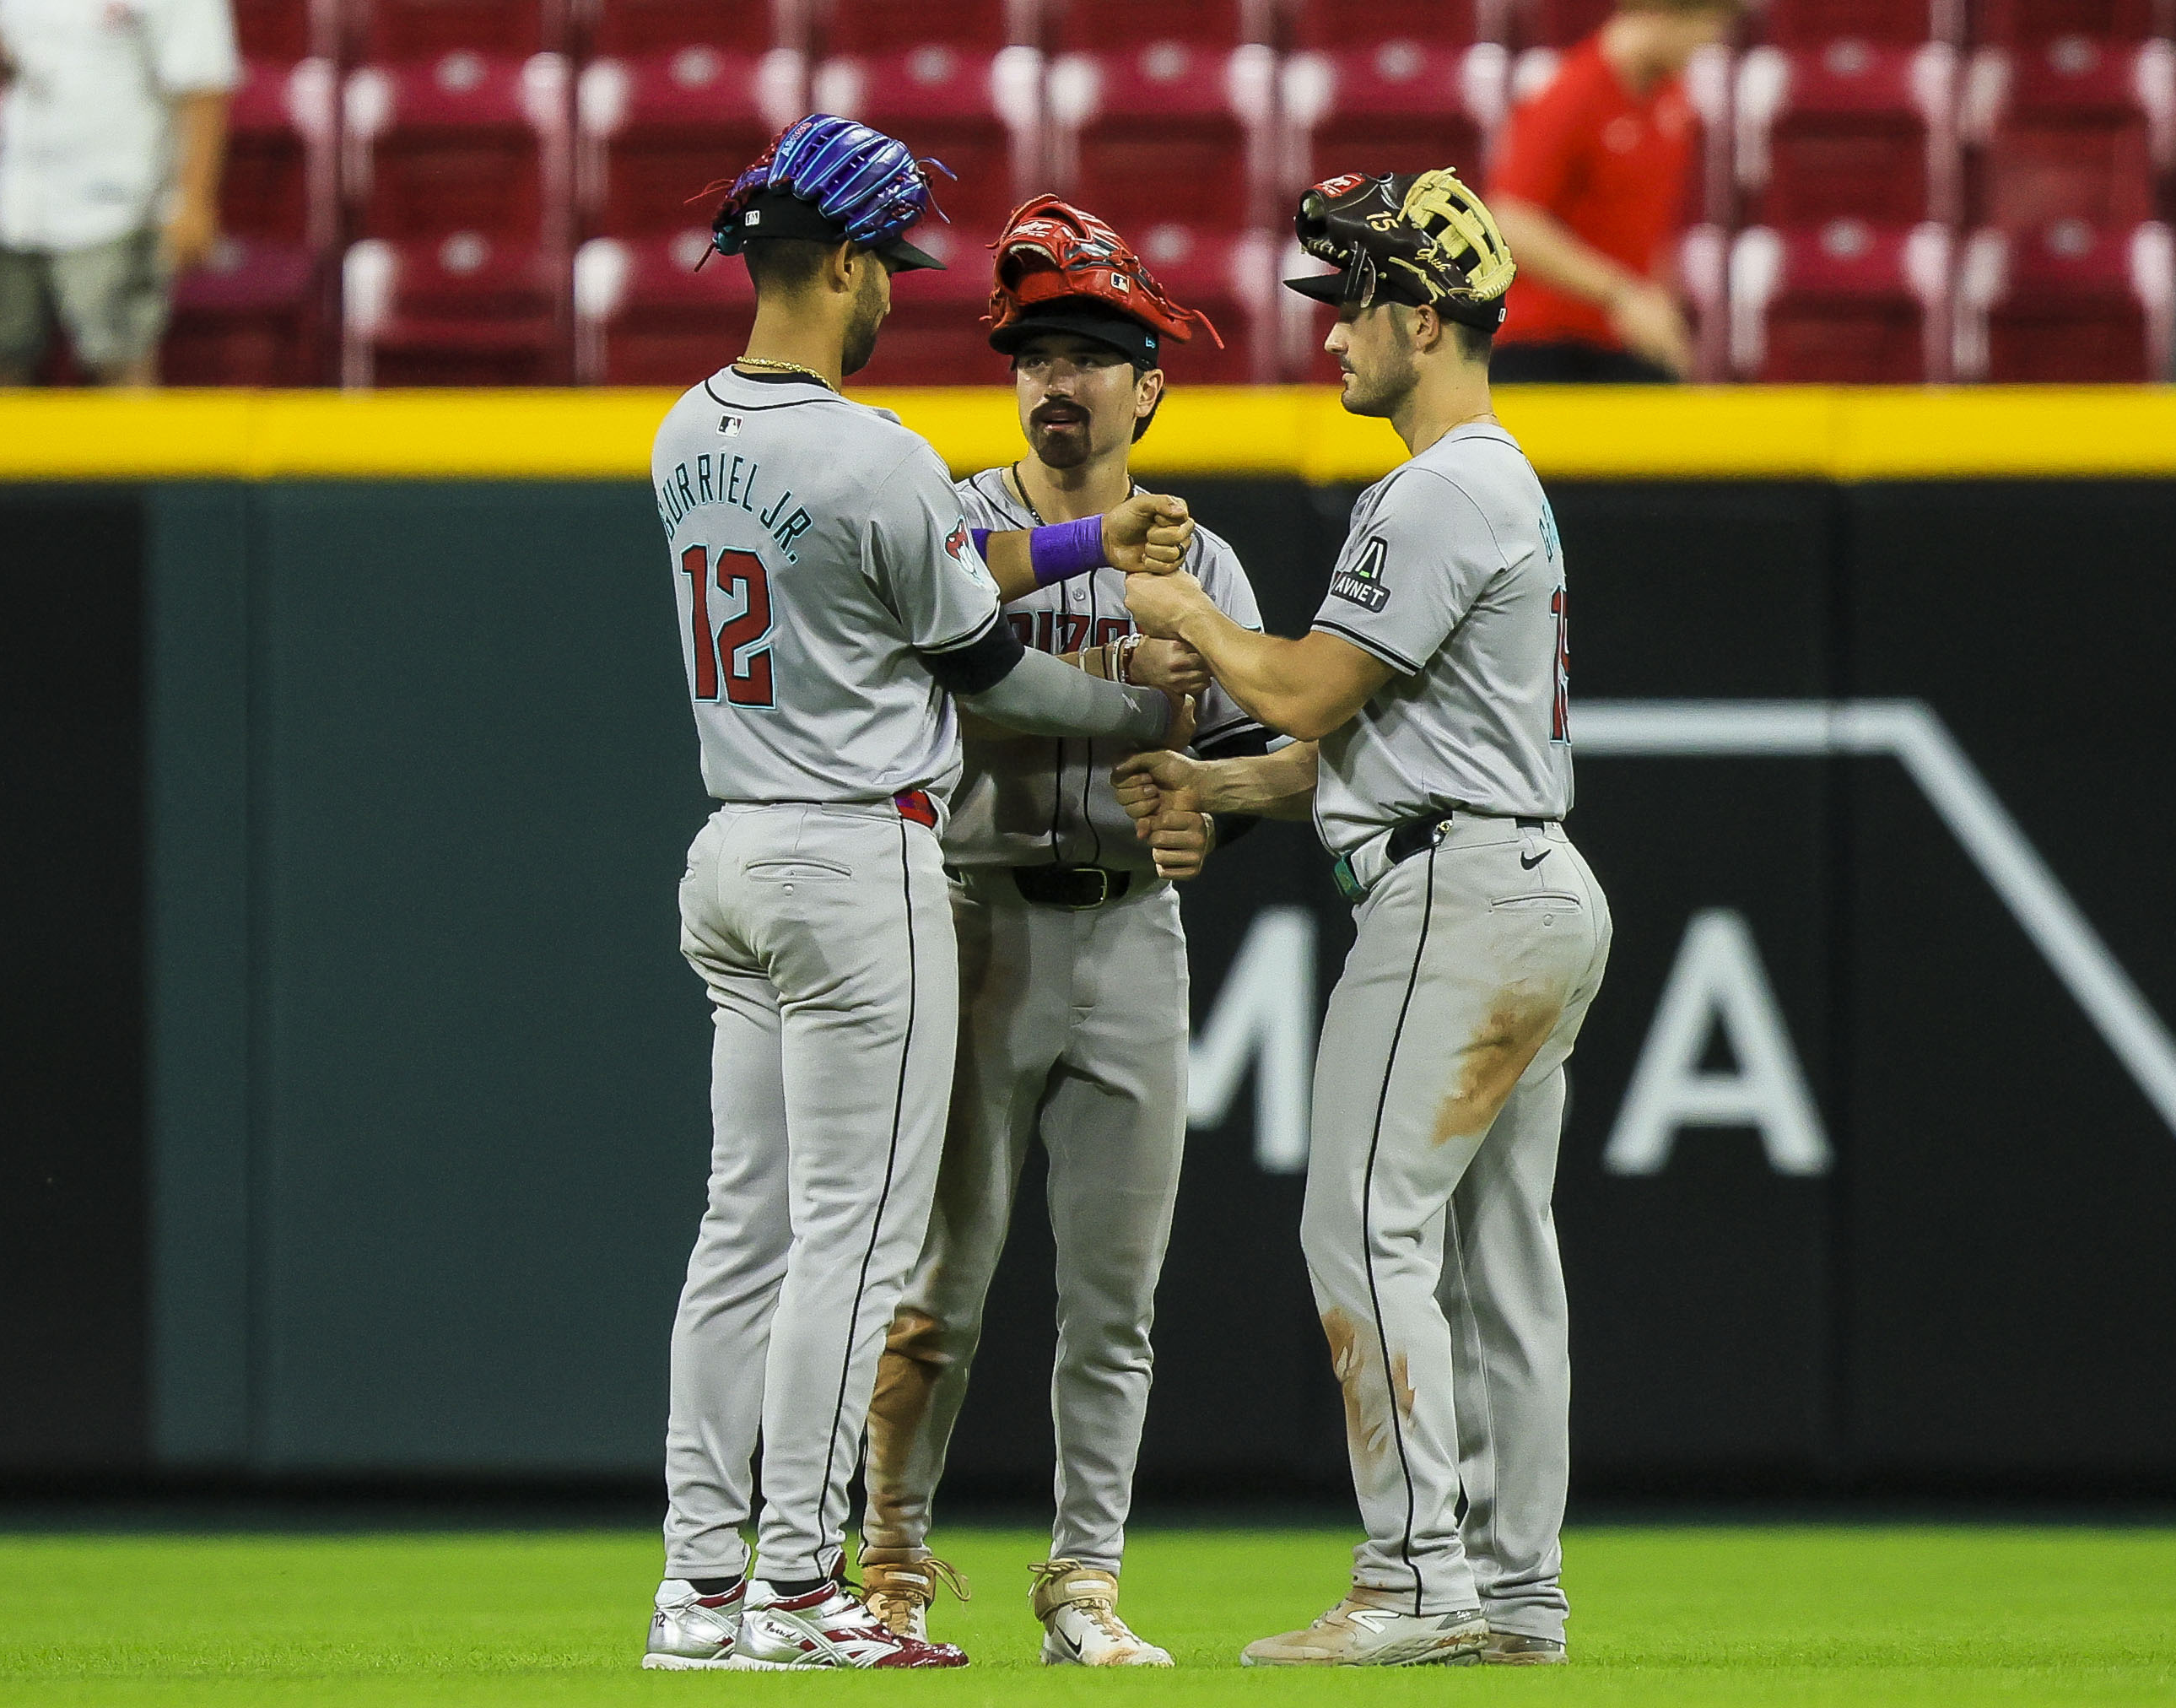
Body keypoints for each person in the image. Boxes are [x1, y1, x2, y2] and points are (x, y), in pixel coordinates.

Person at [640, 115, 1201, 1673]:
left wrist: (1086, 534)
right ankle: (808, 1584)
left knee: (738, 1230)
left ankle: (698, 1585)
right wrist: (1145, 714)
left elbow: (926, 559)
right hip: (852, 854)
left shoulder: (685, 430)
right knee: (858, 1243)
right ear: (830, 262)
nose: (892, 289)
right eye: (881, 261)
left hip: (732, 845)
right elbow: (976, 654)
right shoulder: (875, 449)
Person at [1117, 169, 1615, 1667]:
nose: (1331, 331)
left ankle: (1411, 1580)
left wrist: (1189, 615)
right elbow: (1360, 752)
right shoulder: (1499, 479)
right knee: (1499, 1262)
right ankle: (1516, 1592)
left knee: (1363, 1223)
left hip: (1454, 896)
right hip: (1521, 872)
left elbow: (1309, 691)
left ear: (1421, 315)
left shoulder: (1437, 482)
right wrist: (1218, 786)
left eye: (1352, 304)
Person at [855, 195, 1277, 1669]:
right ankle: (892, 1565)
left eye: (1095, 349)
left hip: (1125, 931)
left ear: (1147, 381)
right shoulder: (955, 519)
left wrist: (1200, 807)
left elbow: (1241, 762)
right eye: (1037, 347)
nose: (1061, 374)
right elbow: (933, 632)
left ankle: (1083, 1580)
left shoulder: (1205, 565)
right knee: (938, 1287)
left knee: (1113, 1298)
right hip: (973, 922)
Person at [0, 0, 236, 386]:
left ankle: (131, 449)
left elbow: (202, 84)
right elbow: (8, 63)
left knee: (119, 363)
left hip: (116, 204)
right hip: (15, 199)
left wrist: (195, 203)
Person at [1485, 0, 1737, 382]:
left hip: (1624, 338)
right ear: (1659, 15)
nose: (1703, 47)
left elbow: (1650, 224)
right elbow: (1511, 219)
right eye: (1702, 32)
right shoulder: (1569, 93)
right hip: (1542, 341)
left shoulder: (1672, 99)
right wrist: (1620, 293)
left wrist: (1662, 312)